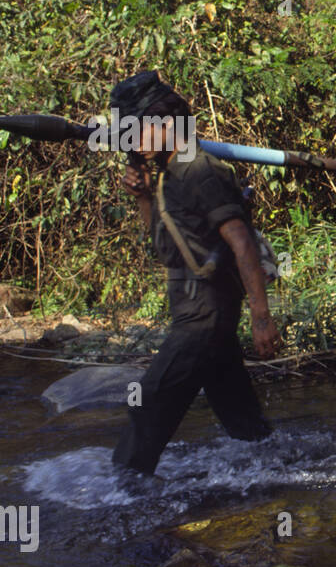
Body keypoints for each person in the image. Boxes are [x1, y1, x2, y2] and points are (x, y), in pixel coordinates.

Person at [111, 70, 279, 474]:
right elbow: (167, 251)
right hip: (196, 311)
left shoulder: (199, 169)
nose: (133, 141)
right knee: (241, 419)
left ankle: (122, 495)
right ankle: (276, 473)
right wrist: (143, 196)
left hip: (204, 316)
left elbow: (241, 242)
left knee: (148, 404)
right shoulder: (171, 171)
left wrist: (261, 318)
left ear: (168, 123)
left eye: (139, 130)